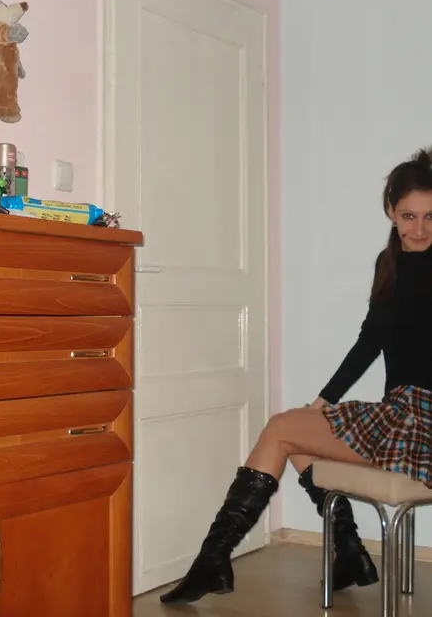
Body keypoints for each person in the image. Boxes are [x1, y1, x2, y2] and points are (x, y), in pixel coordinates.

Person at [160, 147, 432, 606]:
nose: (419, 229)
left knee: (281, 430)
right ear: (390, 210)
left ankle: (216, 560)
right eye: (409, 215)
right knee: (294, 431)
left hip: (422, 420)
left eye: (430, 217)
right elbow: (369, 342)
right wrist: (324, 401)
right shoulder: (387, 265)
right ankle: (346, 550)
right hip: (397, 412)